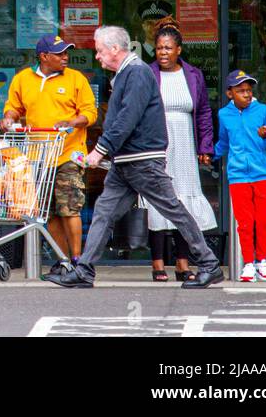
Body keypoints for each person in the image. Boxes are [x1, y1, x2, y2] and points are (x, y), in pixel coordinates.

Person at [46, 25, 224, 289]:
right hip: (127, 161)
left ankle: (209, 264)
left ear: (115, 49)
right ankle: (84, 270)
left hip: (143, 160)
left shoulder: (137, 73)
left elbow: (126, 118)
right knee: (104, 213)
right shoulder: (125, 74)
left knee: (172, 209)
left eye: (99, 51)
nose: (97, 57)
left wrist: (99, 150)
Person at [0, 34, 97, 271]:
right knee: (48, 212)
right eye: (60, 53)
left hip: (68, 154)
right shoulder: (23, 79)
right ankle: (62, 261)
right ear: (44, 57)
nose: (66, 57)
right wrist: (8, 118)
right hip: (38, 155)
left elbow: (90, 113)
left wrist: (73, 122)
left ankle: (77, 260)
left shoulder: (76, 79)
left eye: (66, 52)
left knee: (69, 208)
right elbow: (14, 107)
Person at [144, 19, 217, 281]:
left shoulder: (194, 75)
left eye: (168, 48)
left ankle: (183, 263)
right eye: (159, 48)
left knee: (183, 201)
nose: (162, 52)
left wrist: (205, 146)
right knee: (158, 199)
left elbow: (204, 113)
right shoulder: (147, 73)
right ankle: (157, 263)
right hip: (157, 143)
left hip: (185, 143)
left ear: (179, 50)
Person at [214, 70, 266, 282]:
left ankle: (262, 261)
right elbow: (223, 142)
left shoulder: (263, 111)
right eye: (241, 91)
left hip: (261, 173)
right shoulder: (224, 114)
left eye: (249, 90)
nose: (247, 94)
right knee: (244, 221)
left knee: (265, 218)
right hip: (238, 175)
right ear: (230, 93)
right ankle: (248, 263)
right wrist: (208, 154)